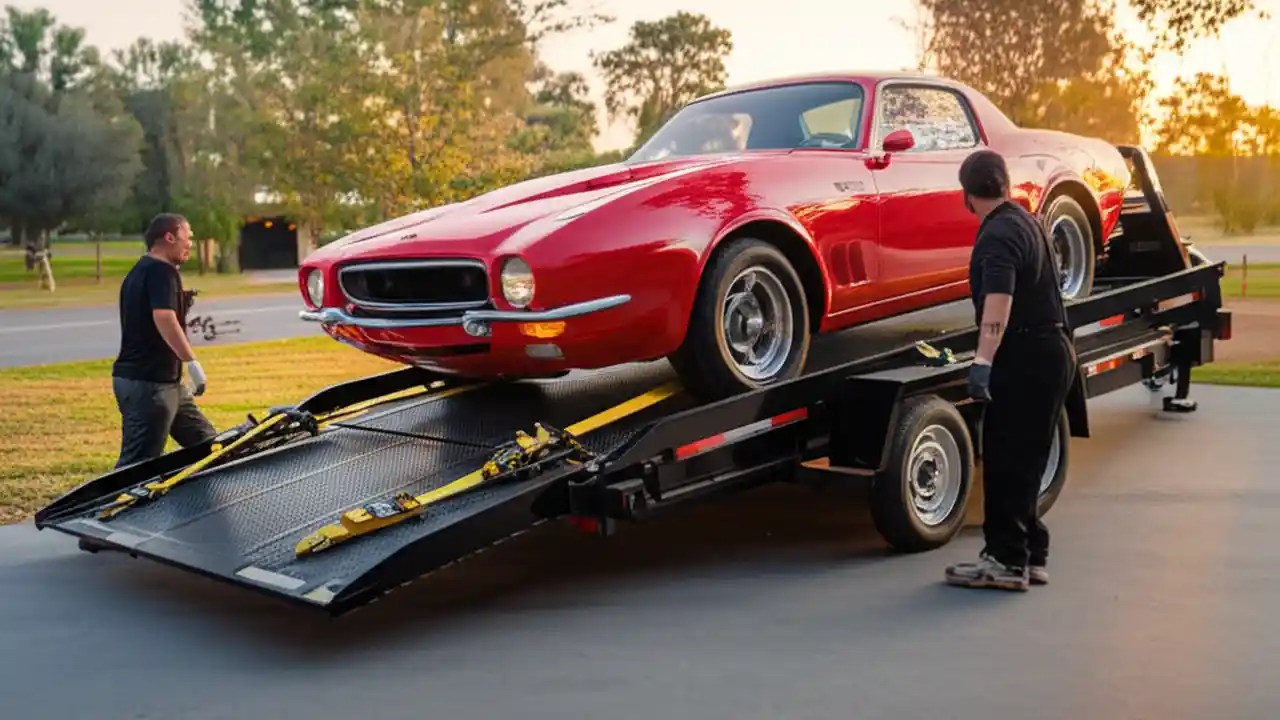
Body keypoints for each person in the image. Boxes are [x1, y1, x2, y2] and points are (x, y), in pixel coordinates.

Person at [944, 150, 1077, 592]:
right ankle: (1030, 555)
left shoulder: (997, 235)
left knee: (1005, 460)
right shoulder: (1028, 221)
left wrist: (982, 362)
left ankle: (1005, 562)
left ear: (967, 194)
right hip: (1054, 350)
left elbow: (998, 303)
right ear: (1003, 184)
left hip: (1026, 355)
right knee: (1028, 460)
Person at [110, 213, 216, 469]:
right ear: (169, 237)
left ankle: (204, 504)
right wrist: (190, 361)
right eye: (187, 236)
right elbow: (164, 318)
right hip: (149, 386)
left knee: (208, 445)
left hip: (164, 385)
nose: (190, 242)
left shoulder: (140, 270)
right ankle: (103, 509)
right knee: (137, 467)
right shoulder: (162, 272)